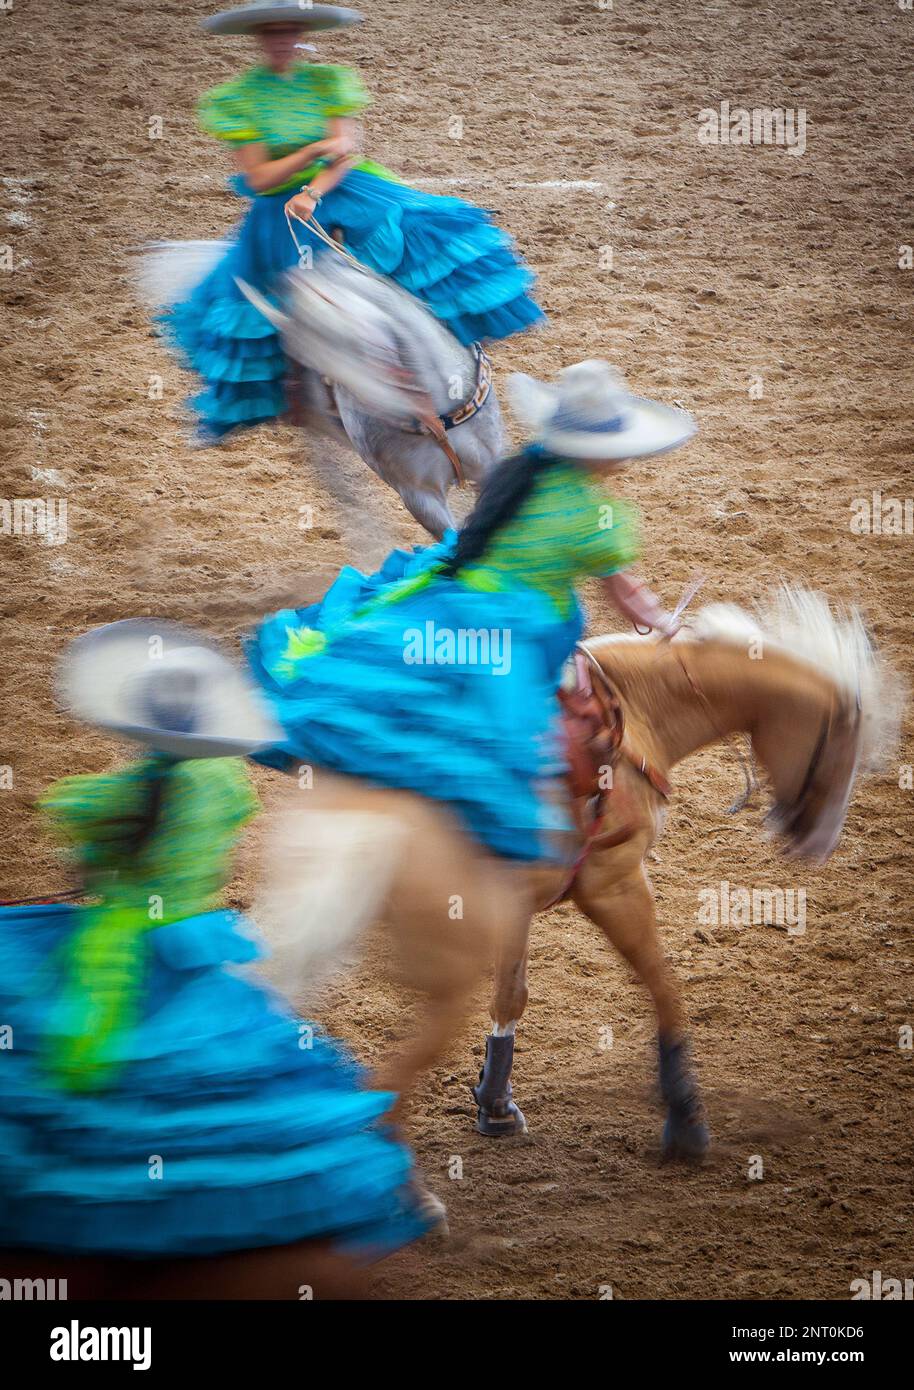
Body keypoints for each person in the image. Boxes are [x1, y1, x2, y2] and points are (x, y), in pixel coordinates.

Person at [0, 621, 430, 1298]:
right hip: (193, 956)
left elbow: (76, 826)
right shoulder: (225, 782)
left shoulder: (116, 795)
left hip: (105, 947)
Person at [247, 361, 696, 863]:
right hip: (515, 625)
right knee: (509, 738)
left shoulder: (524, 467)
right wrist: (663, 622)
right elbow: (626, 595)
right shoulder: (596, 516)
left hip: (457, 588)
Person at [161, 2, 545, 443]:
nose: (282, 40)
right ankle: (299, 394)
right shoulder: (237, 99)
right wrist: (309, 154)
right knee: (283, 301)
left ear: (300, 33)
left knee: (422, 232)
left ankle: (448, 342)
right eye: (272, 33)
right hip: (277, 208)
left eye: (289, 31)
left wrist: (313, 190)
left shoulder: (328, 82)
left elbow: (345, 152)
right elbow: (260, 178)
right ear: (260, 39)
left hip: (337, 189)